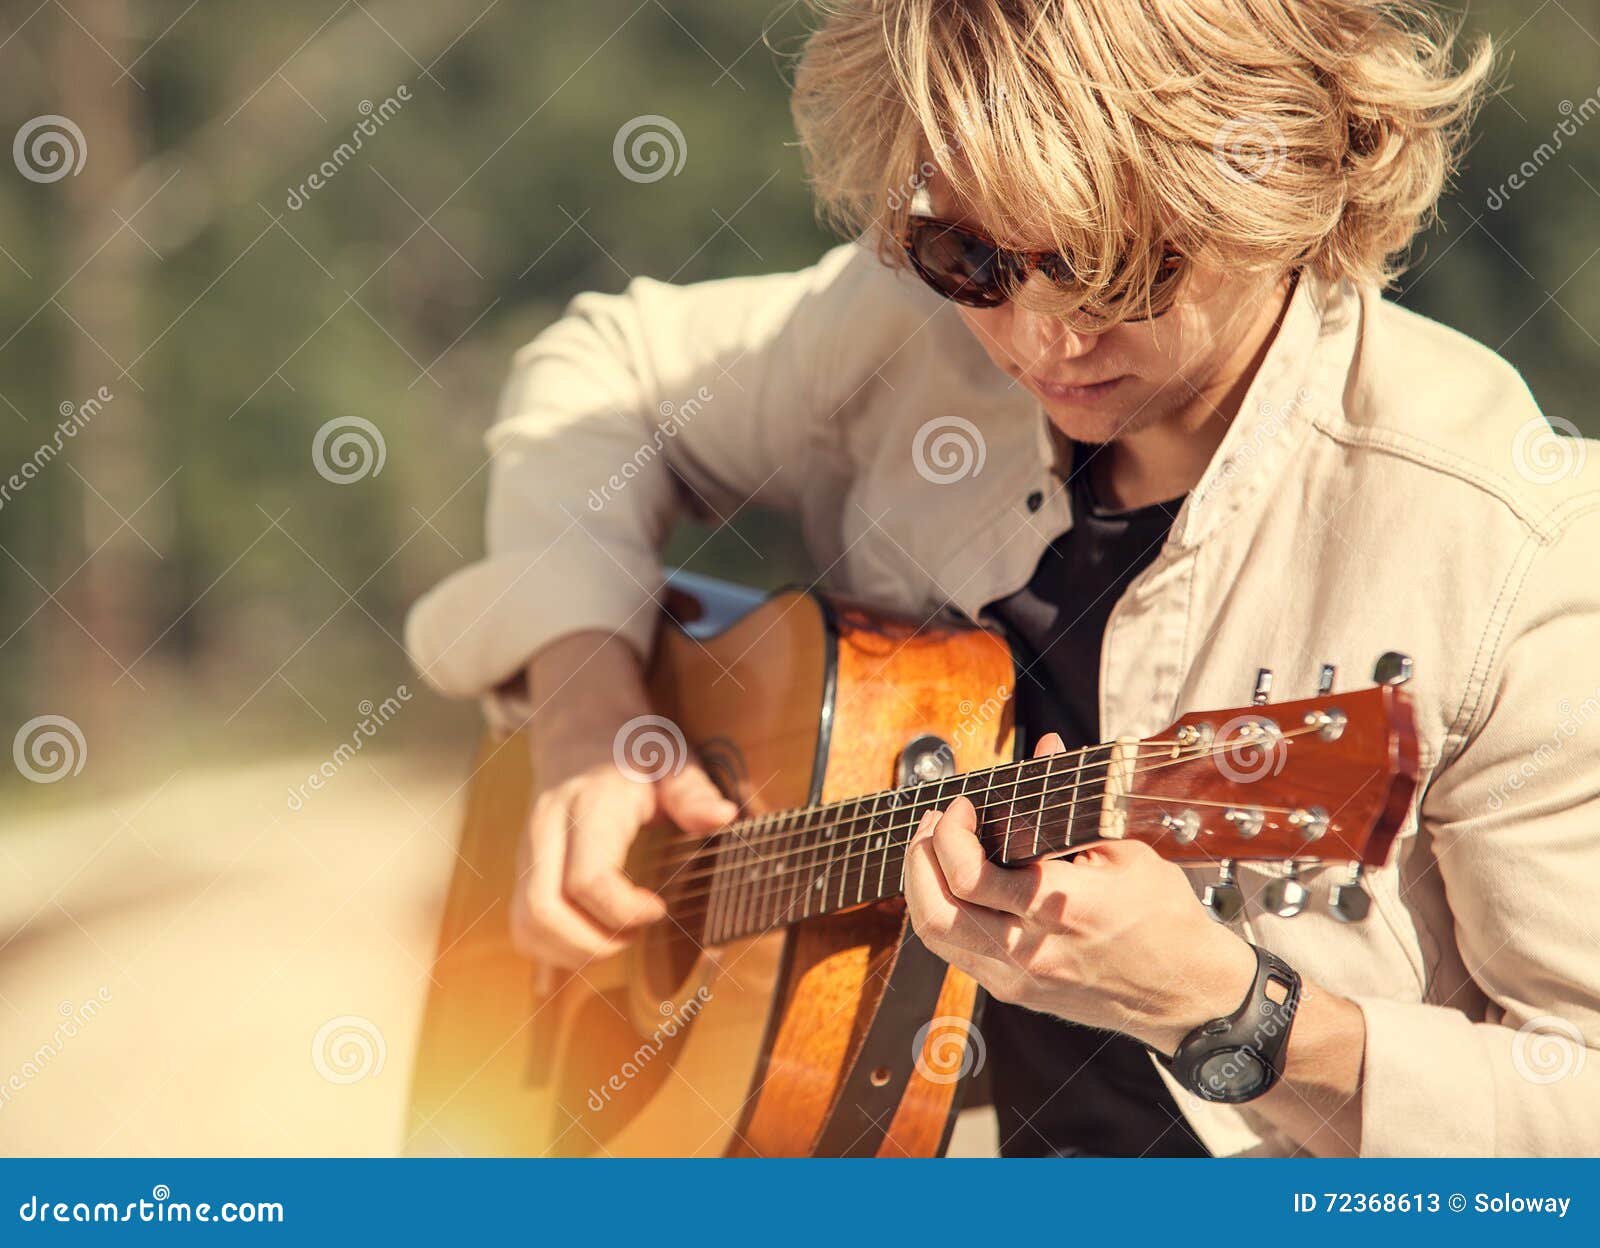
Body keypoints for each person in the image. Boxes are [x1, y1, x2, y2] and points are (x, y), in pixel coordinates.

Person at [406, 0, 1600, 1156]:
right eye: (967, 257)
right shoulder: (898, 336)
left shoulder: (1513, 543)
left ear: (1280, 189)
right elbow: (596, 375)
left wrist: (1240, 1016)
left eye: (1118, 272)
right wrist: (587, 719)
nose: (1040, 339)